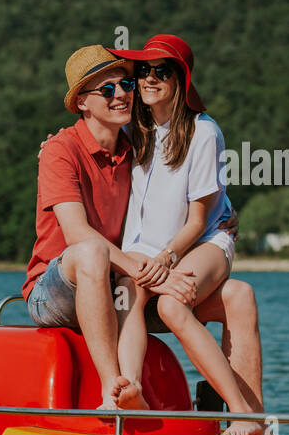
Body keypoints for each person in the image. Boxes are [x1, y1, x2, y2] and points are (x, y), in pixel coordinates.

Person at [22, 44, 199, 410]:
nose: (120, 94)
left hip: (118, 284)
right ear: (82, 103)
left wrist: (222, 220)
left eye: (126, 85)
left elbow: (187, 186)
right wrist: (151, 274)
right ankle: (112, 392)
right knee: (91, 251)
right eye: (106, 90)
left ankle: (251, 424)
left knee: (236, 296)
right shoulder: (61, 150)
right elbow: (77, 235)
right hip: (55, 290)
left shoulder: (140, 146)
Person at [113, 34, 263, 435]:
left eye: (161, 70)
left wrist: (165, 259)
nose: (149, 78)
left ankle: (244, 415)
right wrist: (51, 145)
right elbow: (88, 132)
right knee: (236, 295)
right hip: (144, 253)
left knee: (173, 306)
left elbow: (199, 220)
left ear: (181, 79)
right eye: (143, 70)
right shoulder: (134, 127)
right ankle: (129, 389)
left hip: (203, 243)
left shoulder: (203, 132)